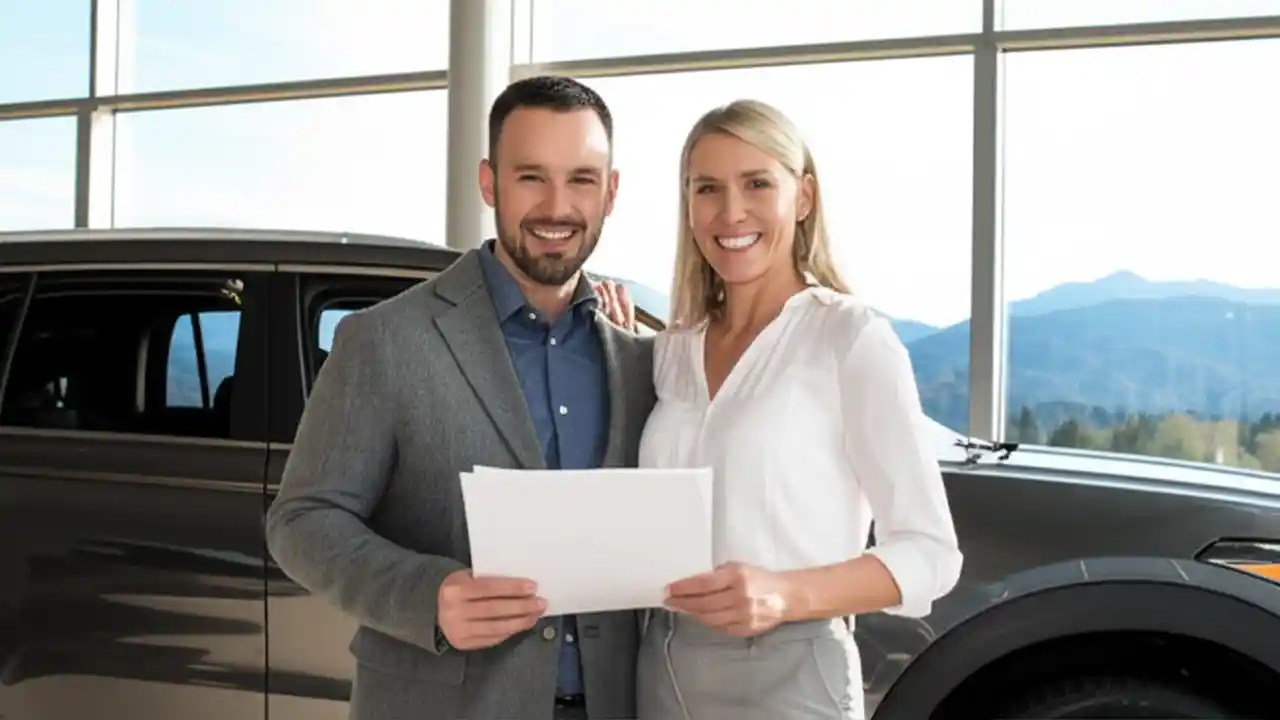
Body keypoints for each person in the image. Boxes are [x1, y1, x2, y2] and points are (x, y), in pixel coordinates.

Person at [265, 75, 654, 720]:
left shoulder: (640, 362)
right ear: (488, 182)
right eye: (531, 177)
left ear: (610, 191)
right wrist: (429, 596)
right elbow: (301, 521)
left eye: (581, 179)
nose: (557, 206)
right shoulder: (383, 340)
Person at [630, 99, 964, 719]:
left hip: (791, 675)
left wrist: (784, 594)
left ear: (803, 196)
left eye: (757, 183)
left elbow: (931, 553)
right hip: (663, 668)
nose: (731, 212)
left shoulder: (849, 338)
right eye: (707, 188)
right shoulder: (671, 351)